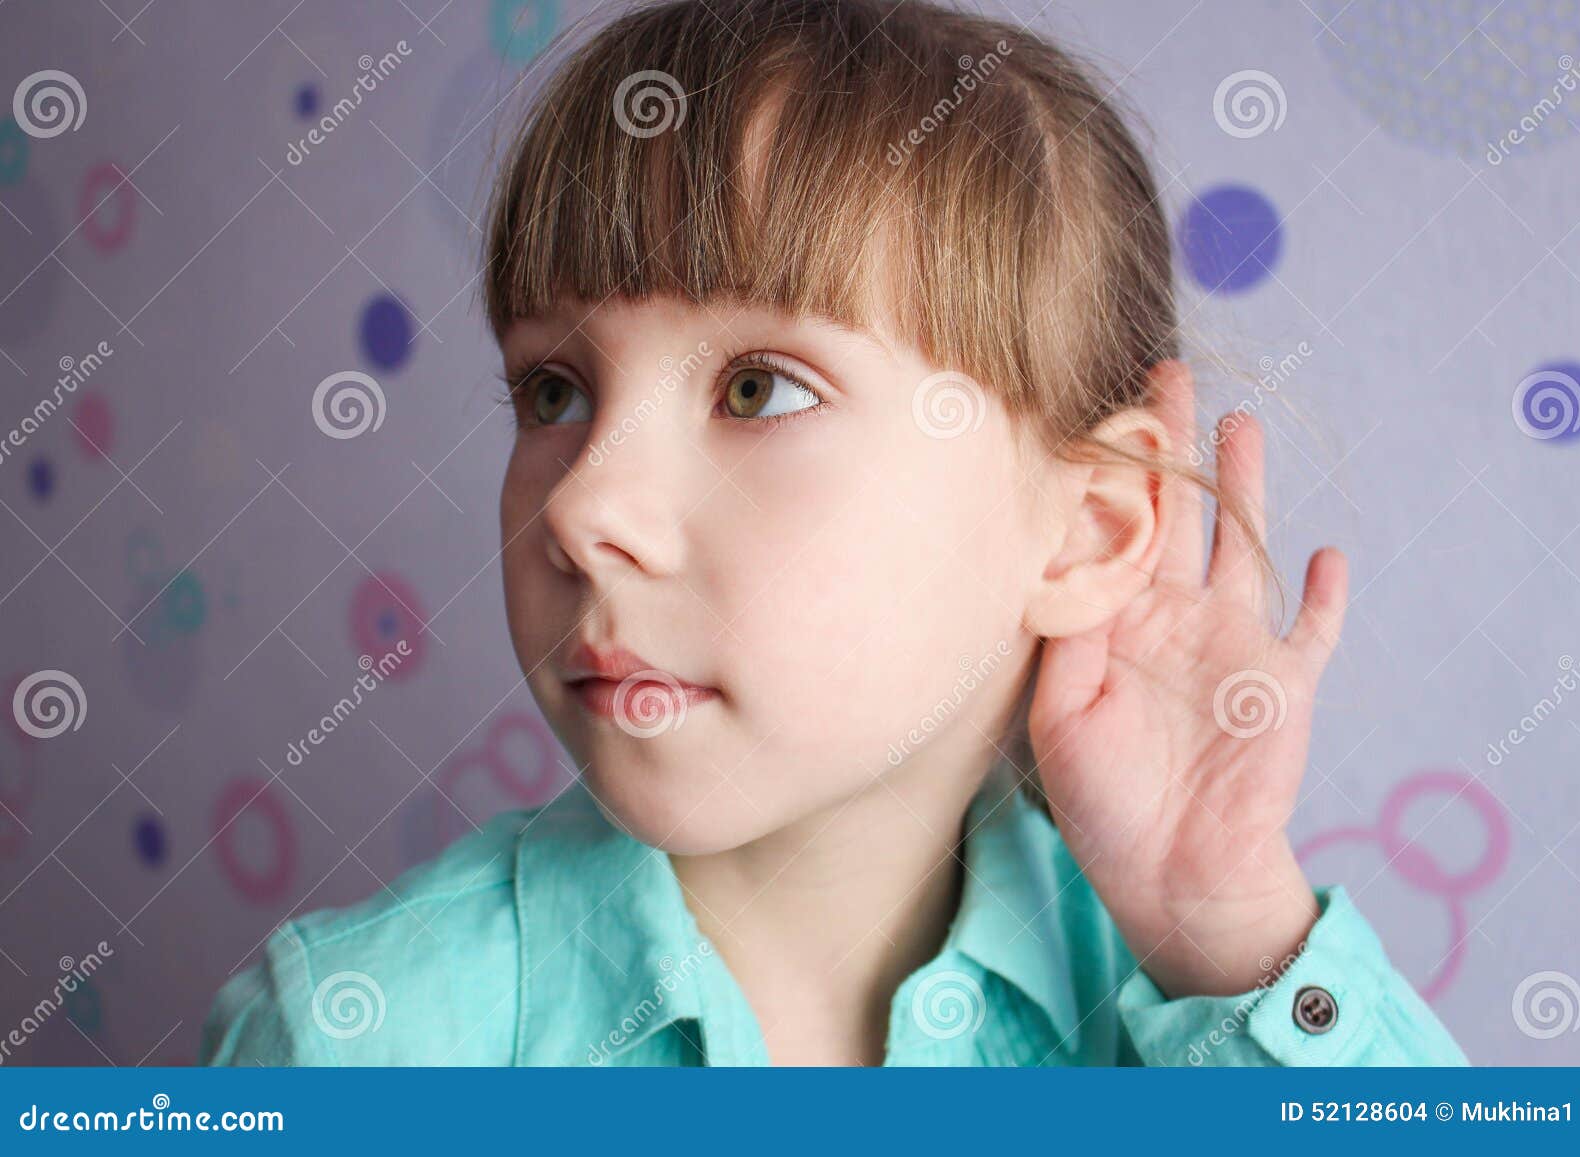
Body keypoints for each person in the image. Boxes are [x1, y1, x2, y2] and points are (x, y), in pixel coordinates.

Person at [200, 0, 1469, 1066]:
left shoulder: (1204, 989)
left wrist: (1230, 927)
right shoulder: (357, 1040)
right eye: (553, 392)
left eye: (757, 387)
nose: (580, 508)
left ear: (1085, 529)